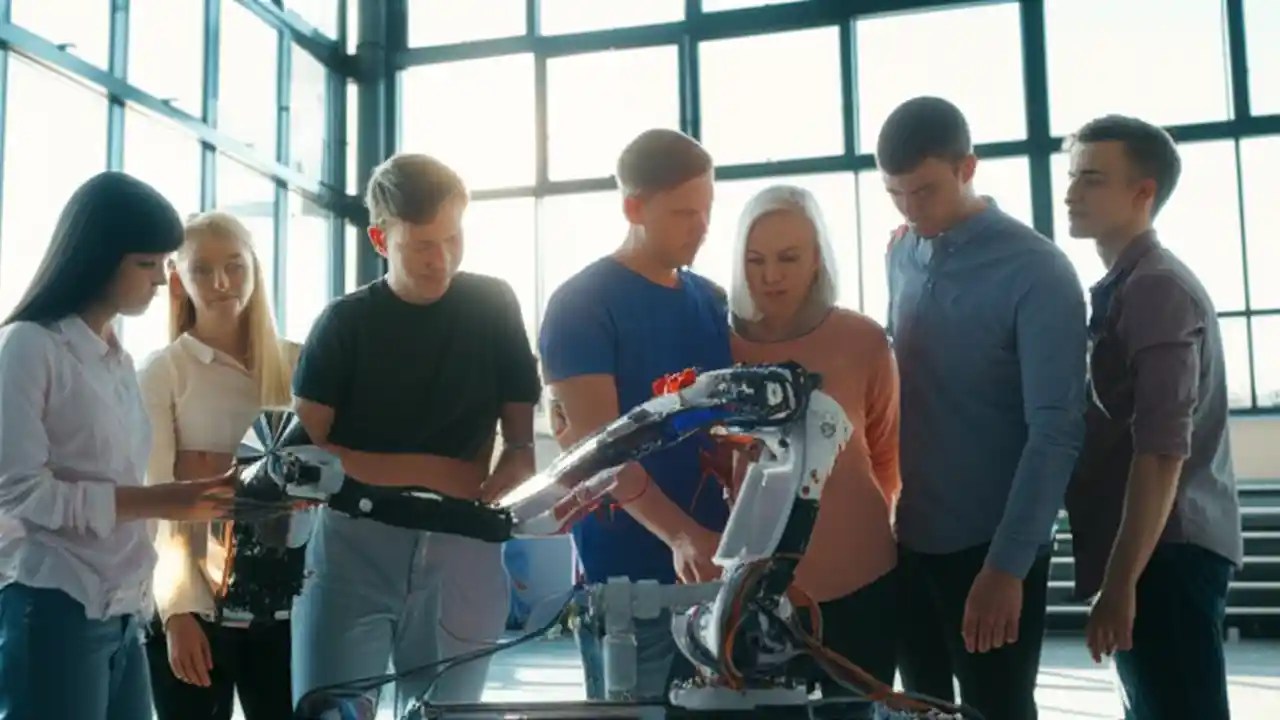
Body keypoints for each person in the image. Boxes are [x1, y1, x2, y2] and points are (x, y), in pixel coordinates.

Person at [289, 153, 541, 715]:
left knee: (447, 713)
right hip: (355, 543)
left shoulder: (494, 305)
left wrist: (505, 478)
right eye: (421, 245)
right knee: (333, 710)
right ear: (380, 239)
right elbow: (302, 458)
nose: (441, 259)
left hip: (462, 543)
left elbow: (521, 448)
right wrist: (432, 470)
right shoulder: (344, 323)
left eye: (452, 238)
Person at [0, 172, 240, 720]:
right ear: (98, 257)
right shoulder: (28, 347)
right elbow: (18, 495)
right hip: (55, 603)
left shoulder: (118, 358)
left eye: (164, 262)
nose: (163, 279)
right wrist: (162, 501)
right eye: (147, 263)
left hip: (124, 609)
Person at [879, 96, 1087, 720]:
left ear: (970, 168)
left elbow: (1056, 432)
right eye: (896, 195)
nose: (912, 211)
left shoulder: (1038, 271)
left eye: (926, 191)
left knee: (998, 709)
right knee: (919, 709)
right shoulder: (900, 253)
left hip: (992, 548)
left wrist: (1007, 567)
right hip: (909, 540)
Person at [538, 128, 732, 700]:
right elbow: (601, 453)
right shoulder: (582, 304)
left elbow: (724, 433)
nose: (701, 227)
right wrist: (683, 536)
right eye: (683, 213)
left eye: (707, 211)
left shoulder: (711, 300)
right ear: (633, 207)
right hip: (626, 579)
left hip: (714, 575)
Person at [1062, 115, 1242, 720]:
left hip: (1166, 553)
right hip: (1157, 552)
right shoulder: (1126, 285)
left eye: (1090, 179)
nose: (1070, 193)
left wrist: (1120, 584)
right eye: (1071, 177)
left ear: (1144, 192)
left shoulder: (1155, 289)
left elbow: (1164, 449)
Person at [725, 185, 901, 691]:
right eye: (755, 260)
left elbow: (887, 456)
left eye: (788, 257)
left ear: (817, 258)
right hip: (750, 588)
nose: (771, 276)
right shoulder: (718, 343)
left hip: (861, 580)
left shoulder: (863, 339)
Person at [138, 211, 301, 720]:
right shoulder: (163, 372)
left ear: (254, 269)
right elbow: (157, 503)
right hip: (197, 607)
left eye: (234, 265)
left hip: (285, 609)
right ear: (178, 280)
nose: (221, 282)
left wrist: (205, 465)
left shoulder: (299, 364)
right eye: (202, 269)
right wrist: (177, 611)